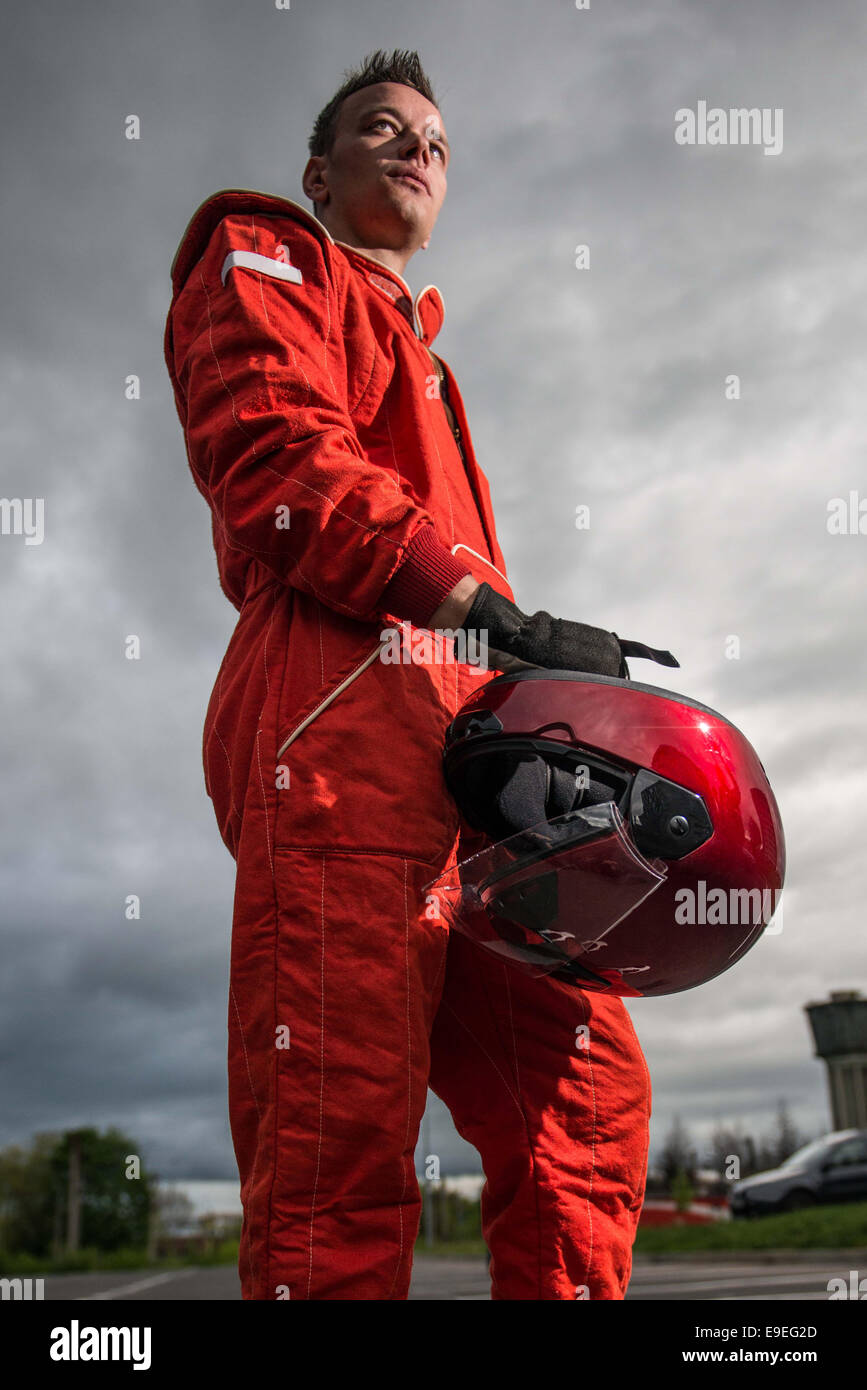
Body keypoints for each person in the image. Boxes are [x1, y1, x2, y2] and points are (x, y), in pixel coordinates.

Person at [164, 48, 654, 1300]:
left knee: (583, 1093)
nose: (417, 148)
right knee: (343, 1136)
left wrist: (537, 697)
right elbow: (278, 459)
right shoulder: (264, 250)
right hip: (338, 739)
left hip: (473, 773)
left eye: (435, 137)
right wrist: (503, 620)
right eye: (382, 129)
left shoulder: (431, 361)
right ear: (319, 173)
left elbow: (462, 600)